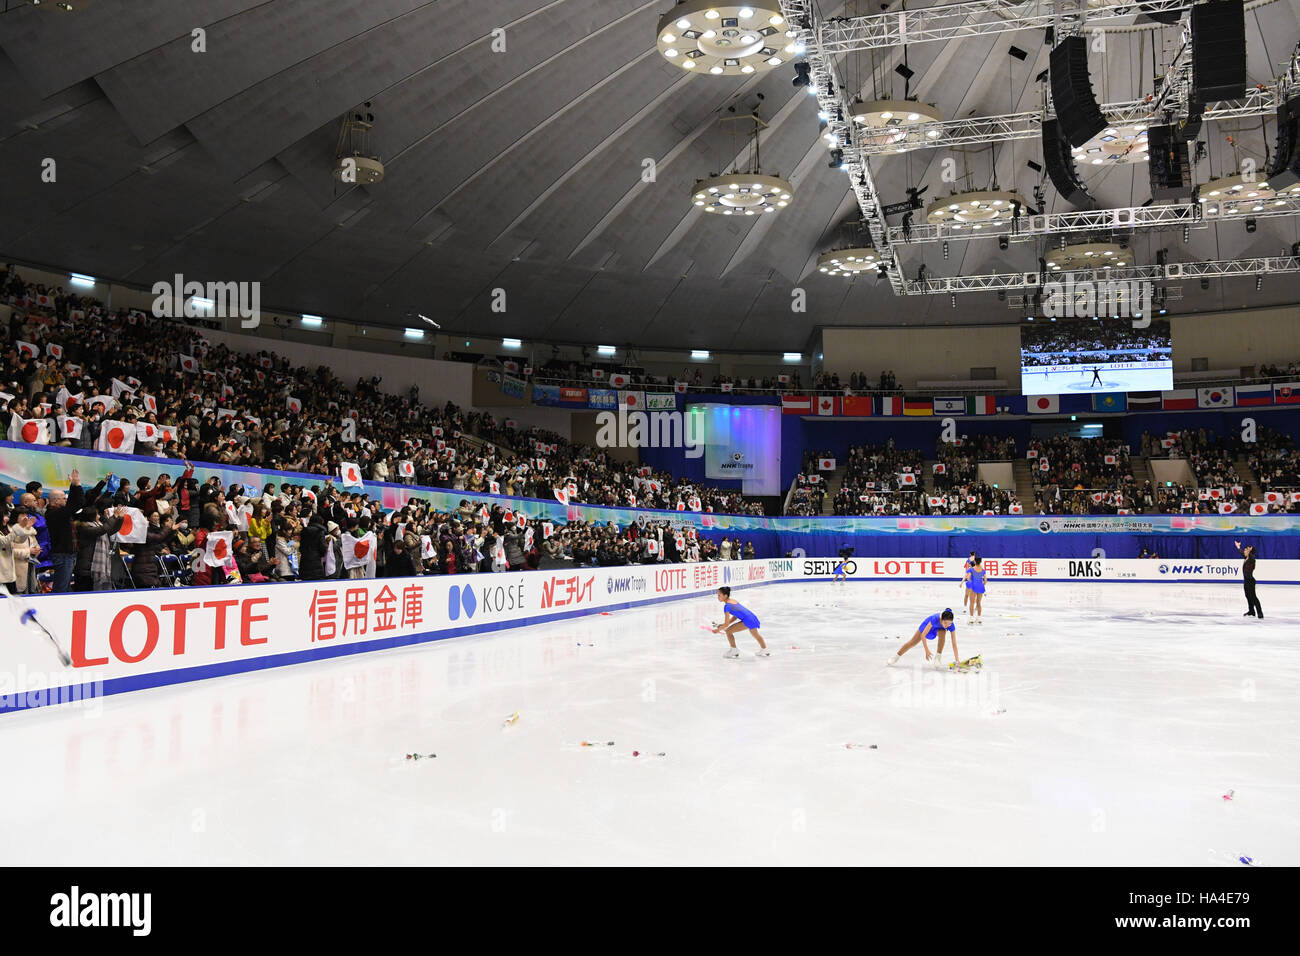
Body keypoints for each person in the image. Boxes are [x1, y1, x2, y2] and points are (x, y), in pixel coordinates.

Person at [887, 608, 958, 668]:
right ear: (941, 619)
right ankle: (896, 657)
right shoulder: (935, 619)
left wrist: (957, 660)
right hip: (926, 627)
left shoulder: (951, 626)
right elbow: (923, 635)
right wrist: (927, 650)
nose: (947, 625)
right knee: (912, 643)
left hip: (937, 630)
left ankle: (938, 657)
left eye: (950, 623)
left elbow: (954, 643)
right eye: (945, 623)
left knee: (943, 631)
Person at [712, 586, 769, 659]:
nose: (718, 597)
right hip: (752, 617)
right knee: (755, 634)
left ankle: (734, 650)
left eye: (719, 595)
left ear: (725, 596)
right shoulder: (733, 601)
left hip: (747, 620)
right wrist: (723, 625)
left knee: (728, 631)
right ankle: (765, 649)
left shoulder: (727, 606)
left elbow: (726, 624)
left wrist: (718, 630)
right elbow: (735, 617)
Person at [1234, 540, 1262, 618]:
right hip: (1246, 581)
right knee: (1248, 596)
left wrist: (1250, 550)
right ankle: (1251, 611)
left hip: (1250, 581)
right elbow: (1242, 553)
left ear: (1249, 552)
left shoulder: (1251, 559)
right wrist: (1238, 547)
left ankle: (1260, 613)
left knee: (1253, 597)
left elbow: (1250, 555)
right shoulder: (1247, 557)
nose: (1244, 551)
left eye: (1246, 550)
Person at [962, 557, 987, 624]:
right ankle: (979, 618)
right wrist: (982, 584)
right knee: (978, 603)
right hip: (981, 587)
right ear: (981, 562)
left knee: (972, 602)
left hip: (974, 586)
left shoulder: (972, 569)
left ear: (975, 561)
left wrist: (972, 581)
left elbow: (968, 577)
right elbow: (985, 580)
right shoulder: (982, 570)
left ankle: (972, 618)